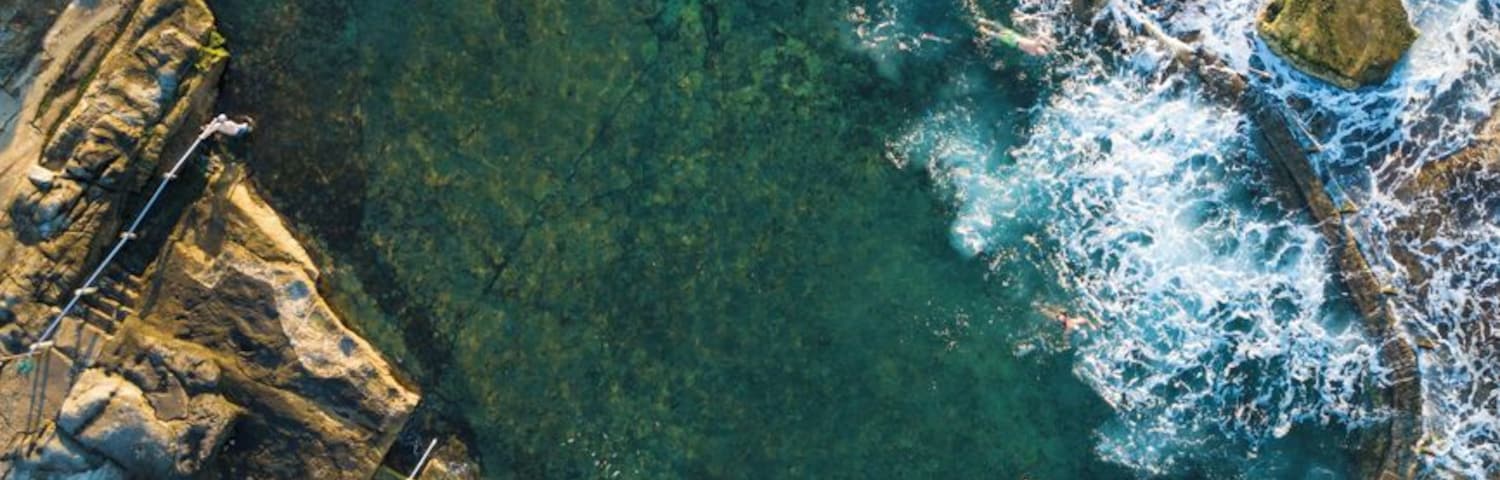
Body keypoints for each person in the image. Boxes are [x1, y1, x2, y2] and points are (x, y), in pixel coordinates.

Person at [976, 16, 1054, 56]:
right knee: (1000, 28)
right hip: (1016, 38)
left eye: (1041, 54)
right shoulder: (1034, 50)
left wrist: (1048, 39)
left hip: (1014, 41)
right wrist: (1048, 41)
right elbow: (1040, 40)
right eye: (1043, 52)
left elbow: (1040, 37)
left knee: (998, 35)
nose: (1041, 53)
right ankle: (984, 22)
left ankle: (984, 29)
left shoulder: (1034, 48)